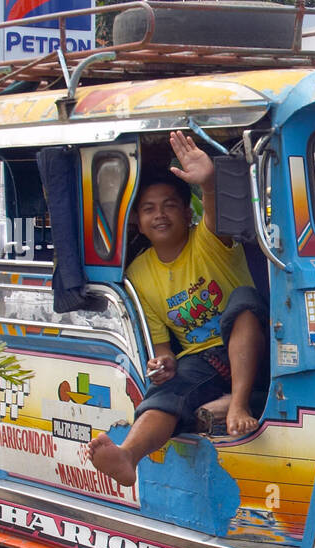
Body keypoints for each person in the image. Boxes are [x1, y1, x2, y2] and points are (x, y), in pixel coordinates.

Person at [85, 131, 266, 487]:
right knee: (168, 393)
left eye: (169, 205)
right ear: (137, 220)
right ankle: (127, 456)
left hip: (255, 344)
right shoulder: (139, 273)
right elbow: (165, 348)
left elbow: (214, 212)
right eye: (149, 209)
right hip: (205, 361)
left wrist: (208, 183)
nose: (160, 215)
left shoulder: (207, 240)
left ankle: (239, 405)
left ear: (187, 212)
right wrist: (163, 363)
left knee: (243, 300)